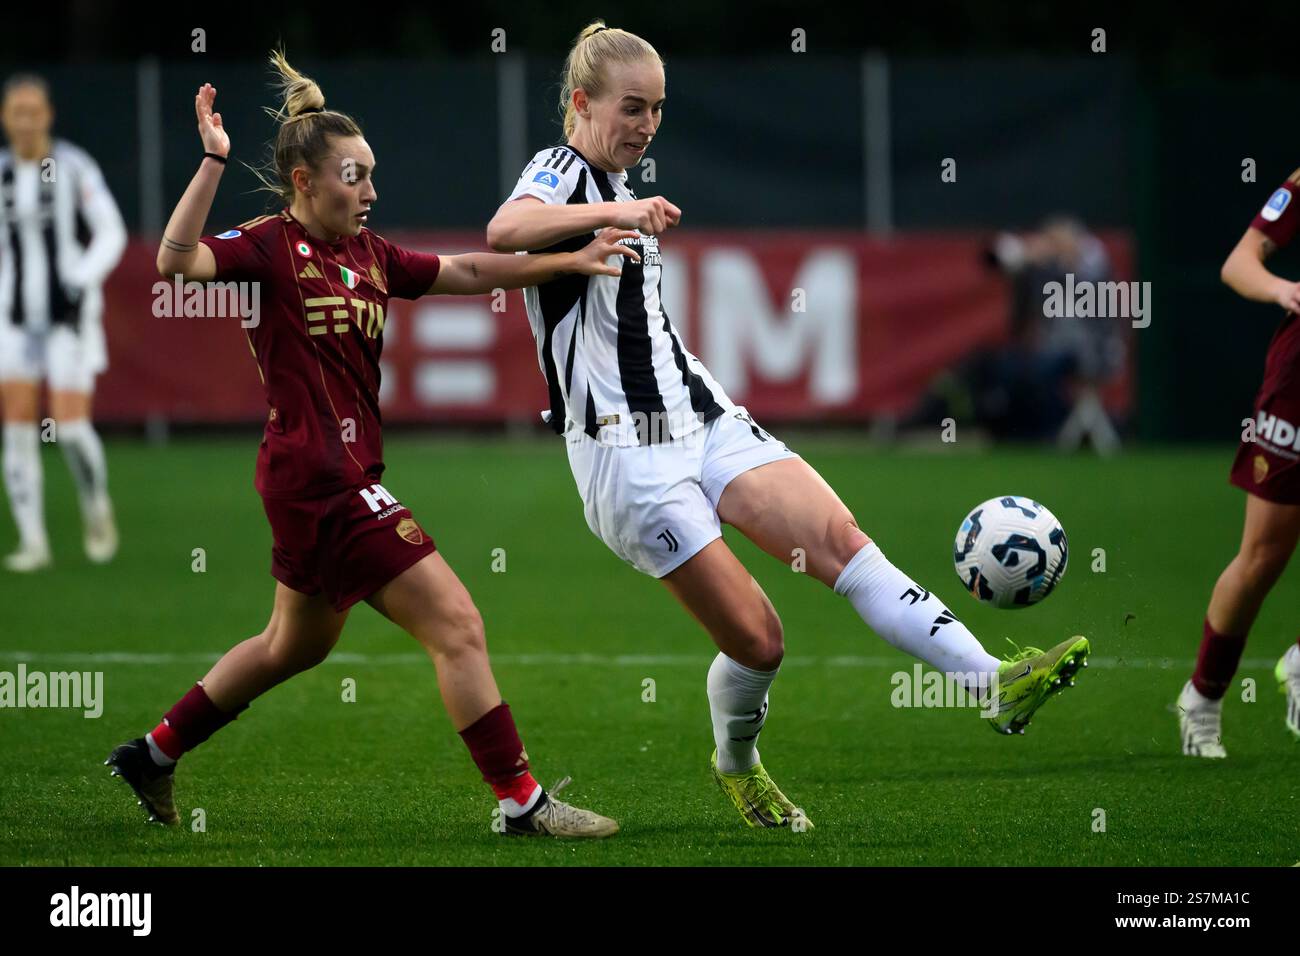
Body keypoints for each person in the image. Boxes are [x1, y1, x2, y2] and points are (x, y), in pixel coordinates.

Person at [487, 21, 1091, 829]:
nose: (645, 126)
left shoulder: (612, 183)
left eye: (658, 110)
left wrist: (622, 212)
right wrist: (620, 211)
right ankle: (737, 765)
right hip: (626, 458)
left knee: (843, 543)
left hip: (701, 415)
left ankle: (993, 683)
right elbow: (503, 231)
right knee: (760, 642)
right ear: (581, 102)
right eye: (631, 108)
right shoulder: (563, 169)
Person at [105, 52, 635, 838]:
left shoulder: (369, 254)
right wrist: (213, 161)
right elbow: (175, 264)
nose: (371, 192)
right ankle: (521, 802)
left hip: (319, 478)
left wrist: (569, 259)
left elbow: (463, 269)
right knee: (456, 624)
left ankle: (152, 754)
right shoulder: (267, 249)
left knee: (294, 644)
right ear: (303, 182)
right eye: (354, 177)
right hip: (321, 479)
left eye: (371, 176)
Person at [1178, 168, 1300, 758]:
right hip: (1298, 381)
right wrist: (1283, 290)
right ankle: (1202, 697)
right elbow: (1239, 262)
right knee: (1264, 556)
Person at [0, 73, 126, 572]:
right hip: (13, 320)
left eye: (35, 111)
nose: (27, 121)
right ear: (6, 119)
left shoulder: (72, 167)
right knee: (17, 429)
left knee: (70, 429)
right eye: (17, 112)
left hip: (69, 317)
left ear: (48, 116)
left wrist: (79, 279)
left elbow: (111, 232)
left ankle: (96, 505)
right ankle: (33, 542)